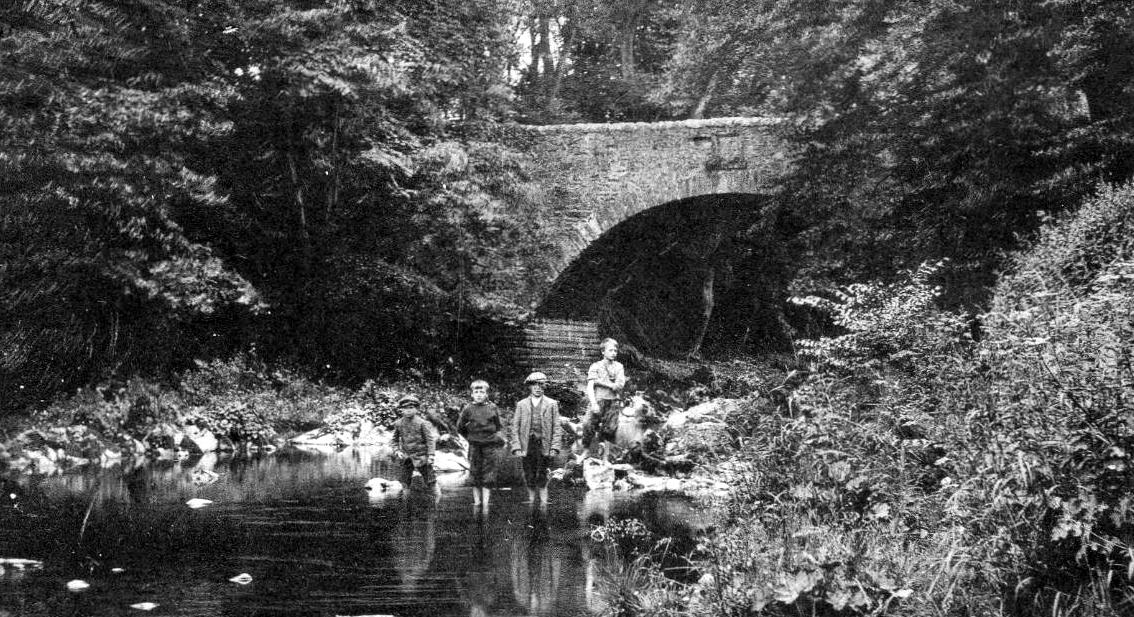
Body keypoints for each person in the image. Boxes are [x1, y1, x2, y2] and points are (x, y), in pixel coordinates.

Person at [508, 372, 565, 508]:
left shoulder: (552, 404)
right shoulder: (521, 404)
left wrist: (555, 447)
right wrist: (516, 447)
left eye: (541, 385)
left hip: (544, 444)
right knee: (529, 473)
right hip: (527, 444)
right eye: (535, 385)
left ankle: (544, 503)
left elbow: (557, 427)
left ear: (545, 387)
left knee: (543, 473)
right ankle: (532, 501)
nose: (538, 388)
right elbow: (515, 427)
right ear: (530, 387)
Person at [456, 379, 504, 512]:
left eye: (481, 392)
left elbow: (498, 426)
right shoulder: (468, 409)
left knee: (488, 473)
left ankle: (486, 503)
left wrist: (495, 438)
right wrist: (471, 437)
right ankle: (477, 502)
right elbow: (460, 427)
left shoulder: (492, 407)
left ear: (486, 394)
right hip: (474, 445)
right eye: (476, 392)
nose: (478, 394)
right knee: (475, 472)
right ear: (471, 394)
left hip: (490, 446)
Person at [584, 338, 626, 461]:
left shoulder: (619, 367)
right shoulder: (595, 366)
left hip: (613, 402)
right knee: (587, 424)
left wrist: (601, 382)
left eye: (615, 350)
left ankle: (606, 457)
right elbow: (590, 386)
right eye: (610, 350)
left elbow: (619, 385)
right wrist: (593, 403)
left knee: (610, 429)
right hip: (598, 400)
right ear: (603, 351)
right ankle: (586, 451)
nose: (614, 353)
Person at [392, 394, 437, 491]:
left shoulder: (422, 423)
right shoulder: (398, 424)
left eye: (411, 407)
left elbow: (430, 440)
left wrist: (431, 455)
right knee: (404, 483)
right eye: (405, 408)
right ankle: (405, 503)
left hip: (422, 457)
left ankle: (436, 502)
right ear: (401, 410)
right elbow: (394, 440)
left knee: (431, 482)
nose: (408, 410)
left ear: (416, 409)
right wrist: (397, 451)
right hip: (406, 457)